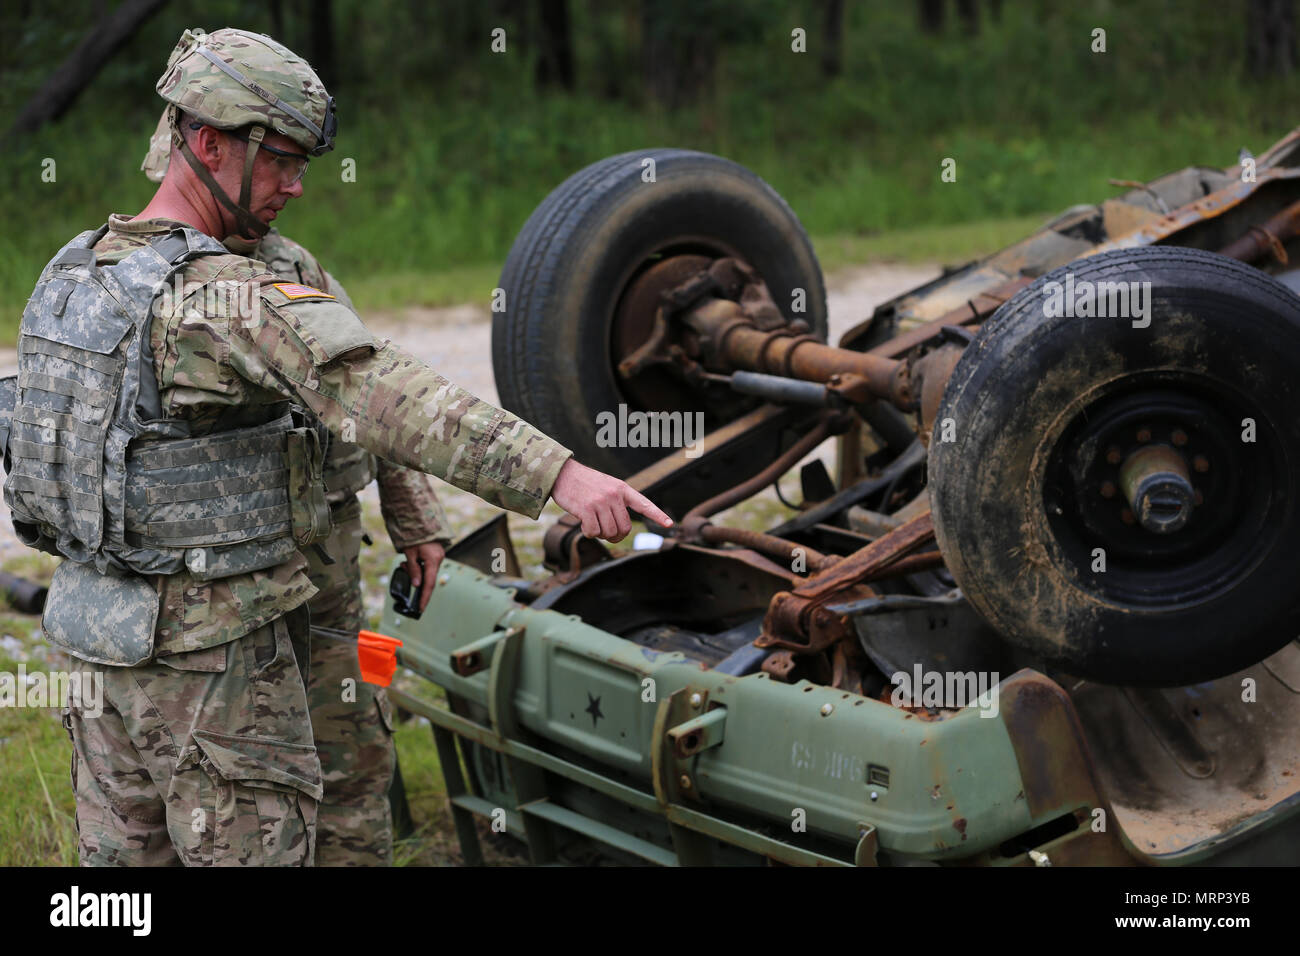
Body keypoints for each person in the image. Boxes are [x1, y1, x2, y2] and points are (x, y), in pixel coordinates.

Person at [3, 27, 669, 866]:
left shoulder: (73, 272)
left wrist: (412, 515)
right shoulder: (221, 301)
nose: (298, 185)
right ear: (208, 144)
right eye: (280, 160)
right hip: (215, 652)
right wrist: (559, 476)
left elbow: (348, 387)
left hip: (97, 642)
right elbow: (378, 388)